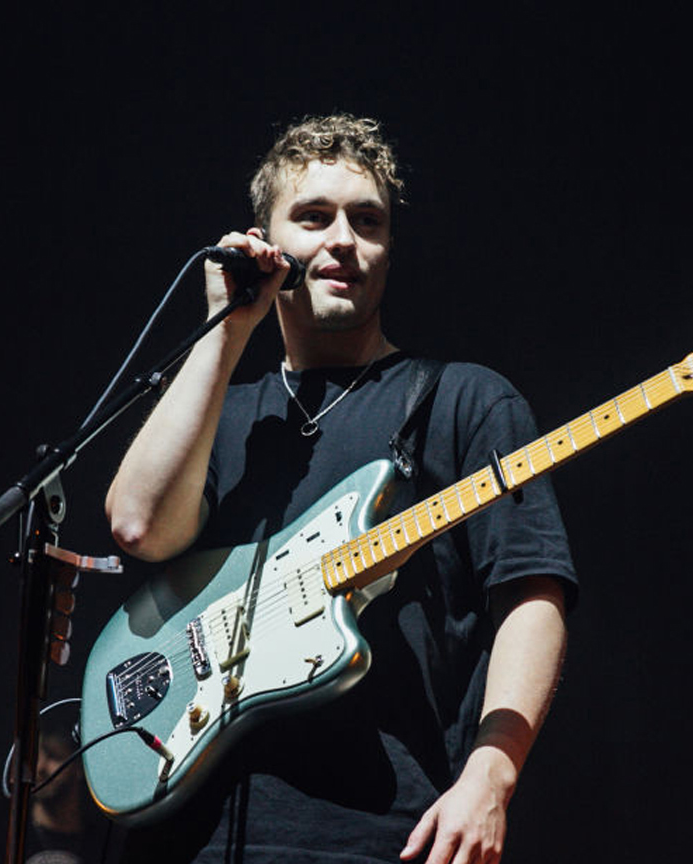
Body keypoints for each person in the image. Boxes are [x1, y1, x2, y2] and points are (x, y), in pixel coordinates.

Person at [102, 114, 577, 864]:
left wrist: (495, 769)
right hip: (183, 838)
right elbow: (135, 526)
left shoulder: (464, 402)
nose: (343, 241)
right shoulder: (225, 417)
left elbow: (531, 594)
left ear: (390, 251)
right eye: (314, 218)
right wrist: (225, 328)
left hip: (382, 835)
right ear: (266, 242)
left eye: (368, 221)